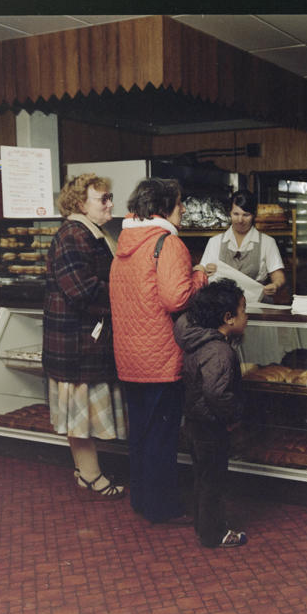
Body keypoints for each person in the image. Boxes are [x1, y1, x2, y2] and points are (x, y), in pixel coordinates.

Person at [109, 177, 212, 524]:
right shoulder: (168, 244)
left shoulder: (124, 243)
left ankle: (142, 499)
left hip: (129, 357)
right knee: (162, 437)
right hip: (160, 357)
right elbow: (176, 298)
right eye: (179, 202)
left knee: (140, 433)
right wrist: (200, 276)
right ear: (163, 207)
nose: (183, 208)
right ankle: (162, 507)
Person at [43, 173, 126, 500]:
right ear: (80, 204)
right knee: (80, 413)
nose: (110, 204)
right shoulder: (72, 235)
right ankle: (91, 476)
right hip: (76, 343)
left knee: (81, 413)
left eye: (109, 197)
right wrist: (128, 293)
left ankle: (85, 471)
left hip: (79, 341)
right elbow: (83, 291)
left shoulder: (89, 232)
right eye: (103, 198)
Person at [173, 278, 248, 548]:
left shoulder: (197, 342)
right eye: (243, 310)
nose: (246, 316)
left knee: (202, 478)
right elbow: (217, 393)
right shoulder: (220, 351)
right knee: (213, 481)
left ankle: (202, 525)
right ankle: (214, 534)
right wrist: (234, 416)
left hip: (194, 422)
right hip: (211, 426)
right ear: (228, 318)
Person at [199, 190, 286, 300]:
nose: (240, 220)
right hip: (222, 305)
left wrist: (276, 285)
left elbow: (279, 276)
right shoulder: (215, 242)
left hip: (256, 303)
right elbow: (200, 271)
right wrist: (205, 271)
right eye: (236, 214)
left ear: (254, 215)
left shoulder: (267, 242)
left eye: (246, 215)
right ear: (229, 213)